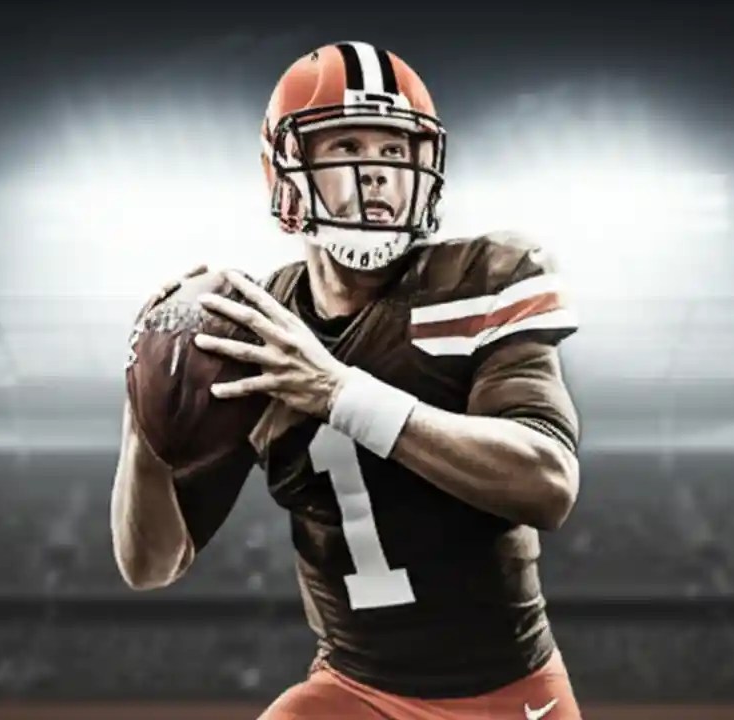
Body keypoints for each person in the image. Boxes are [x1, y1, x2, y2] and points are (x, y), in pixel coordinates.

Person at [111, 41, 584, 719]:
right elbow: (150, 564)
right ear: (288, 172)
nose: (378, 174)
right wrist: (144, 415)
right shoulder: (251, 324)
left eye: (396, 152)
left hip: (507, 693)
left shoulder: (485, 279)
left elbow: (549, 483)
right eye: (347, 148)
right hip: (353, 689)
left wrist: (339, 392)